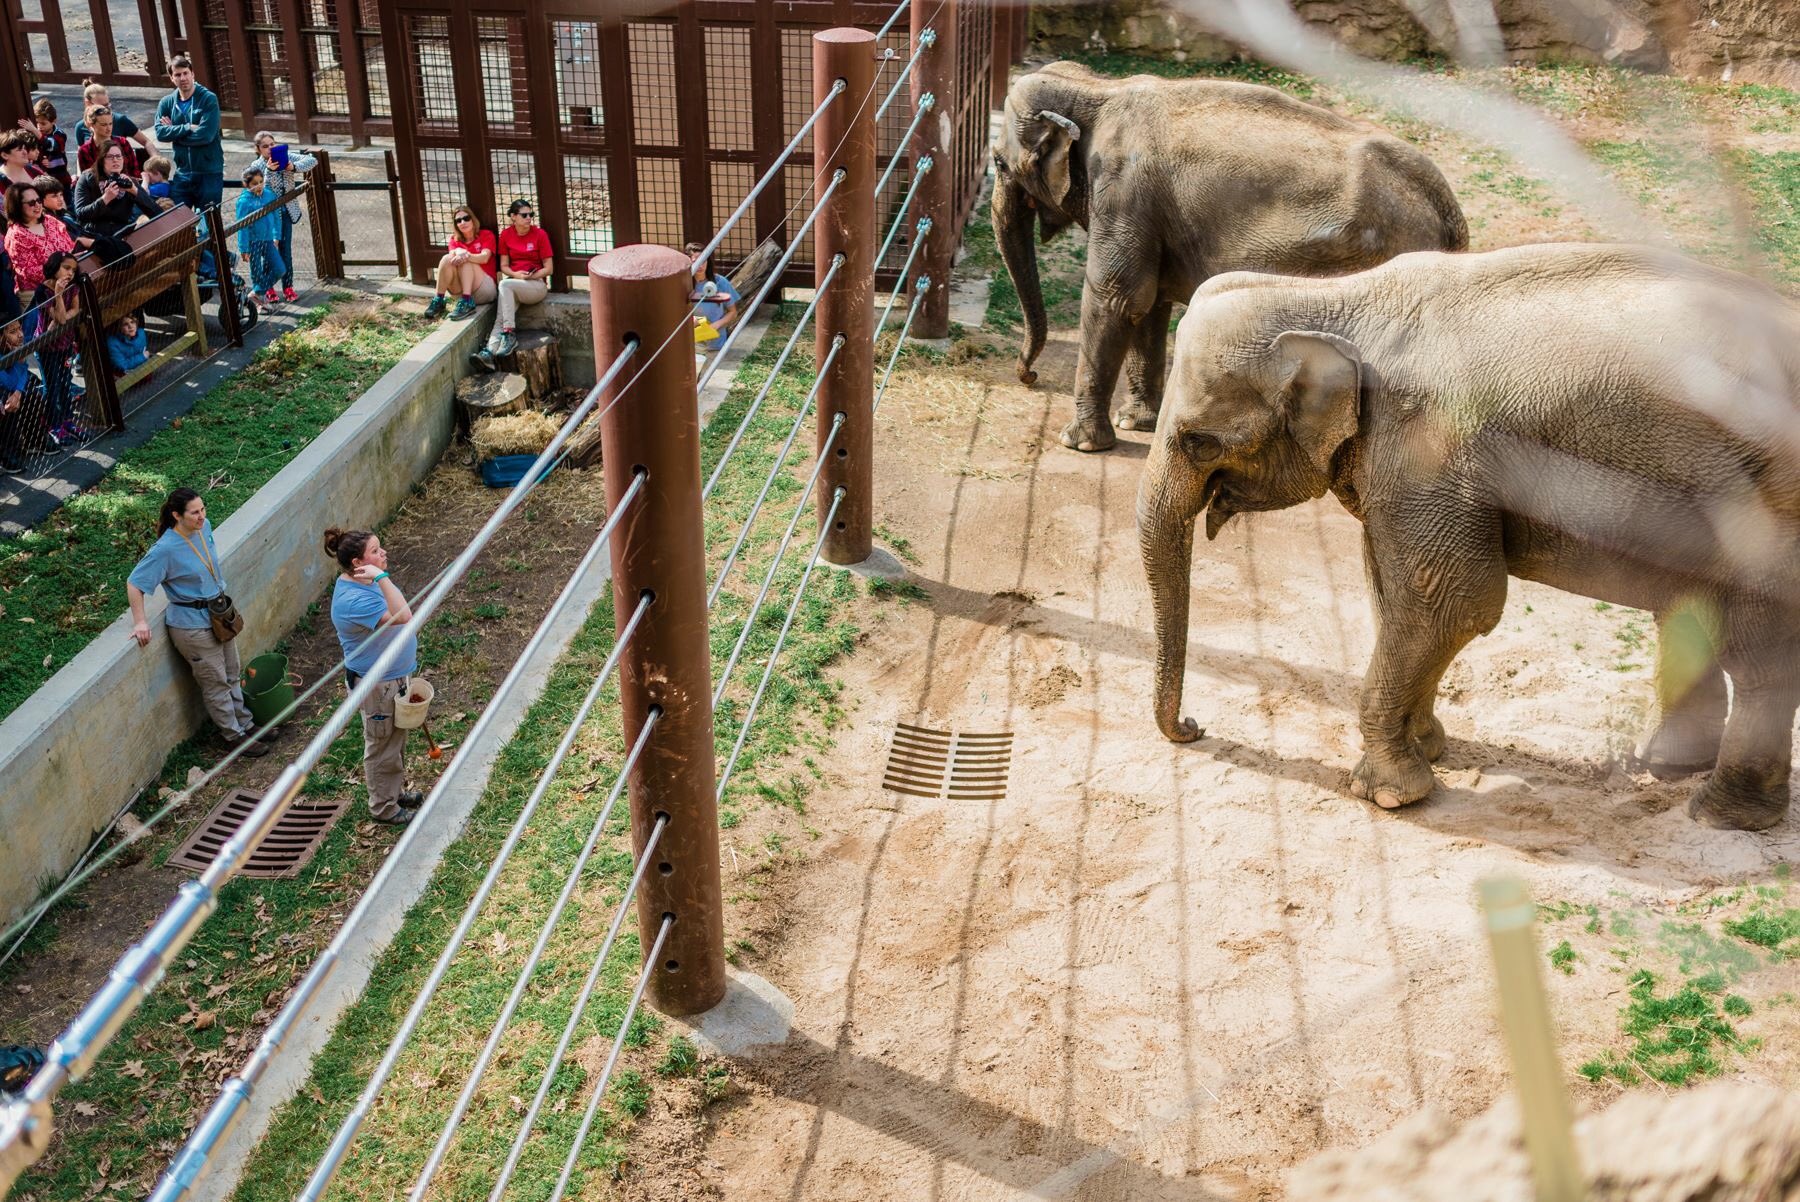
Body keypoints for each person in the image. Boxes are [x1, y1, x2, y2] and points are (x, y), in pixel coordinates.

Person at [128, 489, 269, 756]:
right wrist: (140, 622)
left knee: (231, 672)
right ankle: (233, 735)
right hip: (192, 625)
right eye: (194, 513)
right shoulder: (165, 549)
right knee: (215, 682)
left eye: (202, 509)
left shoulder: (204, 529)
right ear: (176, 515)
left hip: (219, 615)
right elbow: (135, 583)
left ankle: (247, 724)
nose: (202, 516)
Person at [323, 526, 422, 825]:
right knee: (381, 746)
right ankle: (384, 807)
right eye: (376, 551)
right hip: (377, 685)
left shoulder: (366, 581)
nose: (384, 553)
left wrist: (379, 577)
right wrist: (382, 577)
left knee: (395, 738)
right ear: (358, 563)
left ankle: (393, 791)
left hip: (393, 677)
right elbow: (403, 616)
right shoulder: (353, 599)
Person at [472, 199, 552, 371]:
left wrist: (530, 277)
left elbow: (549, 269)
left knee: (504, 285)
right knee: (501, 317)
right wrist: (516, 275)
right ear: (513, 217)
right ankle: (488, 353)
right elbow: (504, 266)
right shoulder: (506, 235)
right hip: (514, 284)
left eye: (531, 214)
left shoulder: (540, 235)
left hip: (536, 286)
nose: (529, 218)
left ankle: (510, 334)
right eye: (524, 215)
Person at [249, 132, 315, 302]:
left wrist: (293, 167)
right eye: (265, 146)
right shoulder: (256, 166)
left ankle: (288, 287)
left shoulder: (284, 155)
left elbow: (312, 160)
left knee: (286, 250)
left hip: (286, 211)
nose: (270, 149)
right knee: (269, 250)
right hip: (268, 215)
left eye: (272, 144)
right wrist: (269, 171)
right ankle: (269, 287)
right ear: (258, 149)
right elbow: (260, 188)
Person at [26, 252, 83, 446]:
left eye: (73, 270)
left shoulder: (73, 286)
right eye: (66, 268)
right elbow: (59, 318)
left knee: (66, 383)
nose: (70, 273)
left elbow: (75, 309)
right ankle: (53, 424)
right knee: (53, 387)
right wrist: (58, 294)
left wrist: (65, 316)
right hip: (47, 346)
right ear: (54, 267)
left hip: (66, 343)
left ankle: (67, 420)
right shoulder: (42, 290)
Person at [155, 55, 224, 211]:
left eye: (186, 73)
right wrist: (186, 128)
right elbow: (160, 133)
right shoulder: (166, 103)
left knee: (211, 223)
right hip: (183, 172)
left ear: (193, 74)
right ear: (172, 78)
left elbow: (206, 136)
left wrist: (175, 134)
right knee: (178, 219)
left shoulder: (208, 99)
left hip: (209, 172)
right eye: (178, 75)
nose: (183, 78)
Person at [5, 182, 75, 304]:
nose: (37, 205)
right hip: (39, 295)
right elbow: (31, 272)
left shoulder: (50, 220)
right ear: (17, 206)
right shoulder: (16, 235)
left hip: (68, 282)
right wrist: (65, 270)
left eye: (38, 200)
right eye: (31, 203)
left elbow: (70, 246)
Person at [73, 142, 160, 240]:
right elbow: (80, 214)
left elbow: (157, 213)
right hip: (93, 235)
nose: (115, 160)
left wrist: (134, 191)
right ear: (102, 160)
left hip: (121, 235)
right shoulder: (87, 178)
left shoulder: (129, 181)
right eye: (110, 157)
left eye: (118, 156)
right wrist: (105, 199)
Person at [423, 204, 496, 320]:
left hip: (485, 290)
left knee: (465, 260)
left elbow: (484, 258)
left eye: (466, 218)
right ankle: (439, 300)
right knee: (446, 258)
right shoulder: (454, 240)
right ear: (456, 225)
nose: (463, 222)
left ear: (473, 220)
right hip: (461, 290)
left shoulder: (486, 235)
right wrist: (458, 250)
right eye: (458, 220)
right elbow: (451, 260)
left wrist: (466, 254)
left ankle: (467, 302)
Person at [235, 165, 285, 304]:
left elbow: (276, 216)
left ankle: (256, 292)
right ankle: (260, 304)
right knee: (256, 273)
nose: (259, 186)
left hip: (268, 239)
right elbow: (242, 226)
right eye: (254, 184)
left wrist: (276, 235)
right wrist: (244, 248)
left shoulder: (269, 194)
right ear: (246, 185)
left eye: (261, 182)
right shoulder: (244, 202)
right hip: (253, 242)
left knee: (280, 269)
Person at [75, 81, 153, 163]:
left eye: (107, 105)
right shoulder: (80, 127)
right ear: (88, 103)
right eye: (101, 107)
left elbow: (146, 142)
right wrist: (80, 175)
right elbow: (80, 156)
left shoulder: (120, 120)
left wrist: (154, 158)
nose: (106, 110)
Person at [685, 241, 739, 354]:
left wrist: (717, 325)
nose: (700, 266)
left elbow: (733, 312)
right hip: (692, 344)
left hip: (716, 344)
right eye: (695, 261)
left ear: (708, 261)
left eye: (702, 260)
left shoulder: (720, 282)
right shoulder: (683, 284)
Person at [0, 320, 36, 474]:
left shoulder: (15, 347)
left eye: (19, 329)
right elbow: (6, 381)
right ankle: (7, 455)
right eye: (12, 332)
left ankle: (34, 441)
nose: (20, 335)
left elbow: (24, 373)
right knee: (6, 404)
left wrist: (18, 392)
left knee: (34, 394)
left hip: (11, 389)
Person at [33, 176, 95, 253]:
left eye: (61, 194)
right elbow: (75, 240)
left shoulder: (63, 213)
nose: (60, 199)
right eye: (54, 196)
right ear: (41, 199)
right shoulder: (48, 221)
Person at [76, 106, 140, 179]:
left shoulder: (123, 143)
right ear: (92, 125)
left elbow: (135, 171)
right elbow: (88, 179)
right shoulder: (85, 150)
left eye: (110, 124)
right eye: (104, 125)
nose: (109, 128)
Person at [30, 101, 70, 189]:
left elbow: (51, 145)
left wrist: (35, 131)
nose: (39, 126)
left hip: (60, 178)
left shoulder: (60, 134)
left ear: (53, 121)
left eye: (43, 123)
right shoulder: (37, 134)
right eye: (37, 123)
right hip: (43, 178)